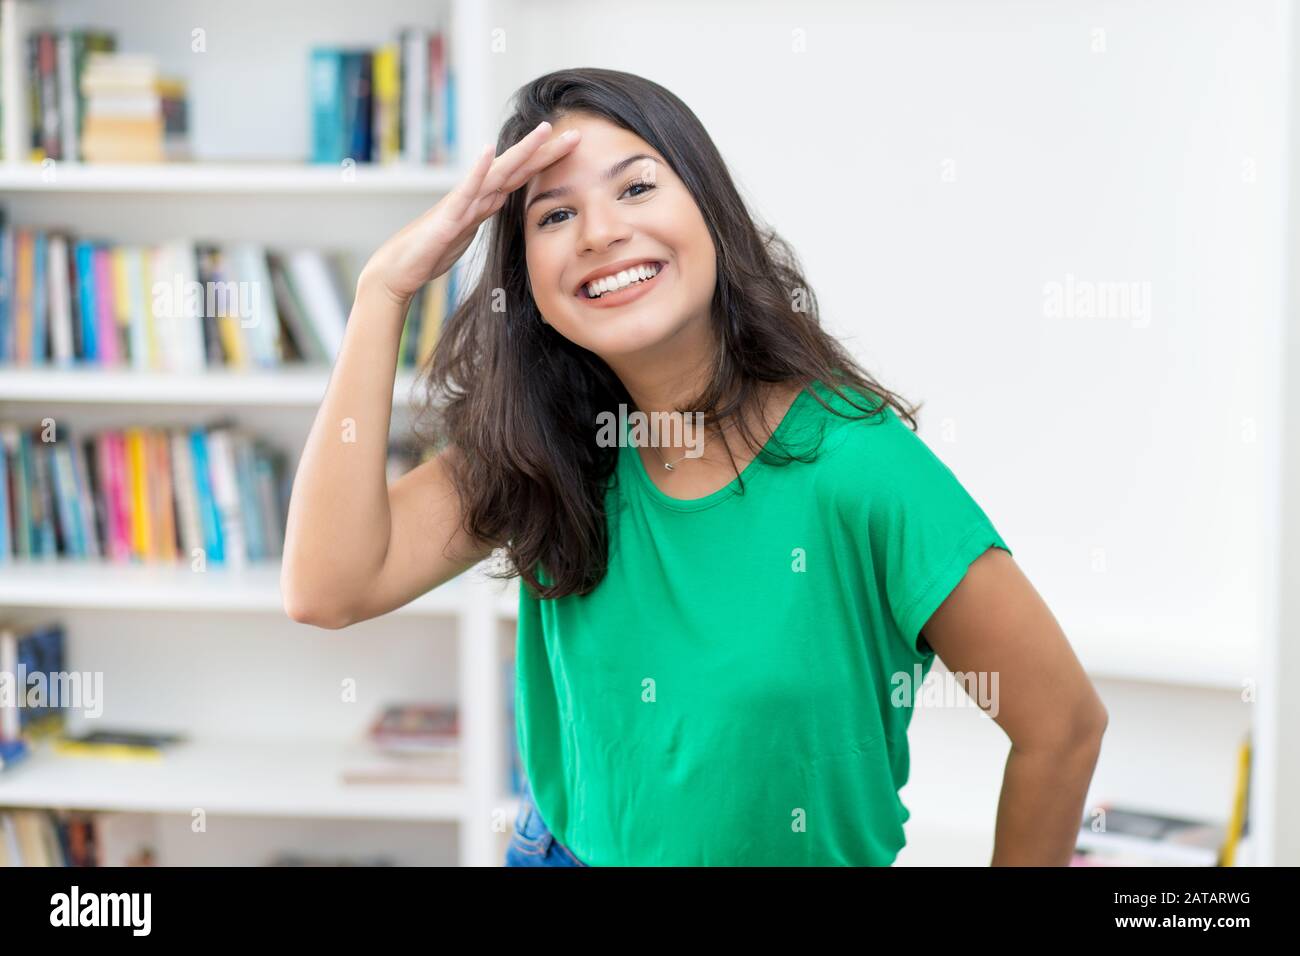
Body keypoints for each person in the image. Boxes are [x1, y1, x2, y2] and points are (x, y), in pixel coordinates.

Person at [281, 68, 1108, 867]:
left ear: (709, 211)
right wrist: (384, 291)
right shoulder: (547, 453)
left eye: (636, 188)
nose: (601, 232)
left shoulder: (859, 467)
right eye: (554, 214)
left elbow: (1061, 725)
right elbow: (326, 588)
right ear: (525, 279)